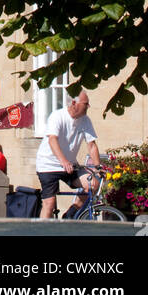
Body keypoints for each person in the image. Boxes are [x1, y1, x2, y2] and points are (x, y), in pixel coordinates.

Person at [35, 89, 100, 219]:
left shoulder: (85, 120)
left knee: (93, 184)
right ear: (74, 103)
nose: (88, 106)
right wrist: (63, 161)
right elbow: (52, 139)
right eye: (86, 104)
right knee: (49, 203)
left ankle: (69, 216)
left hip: (70, 165)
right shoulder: (57, 116)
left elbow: (91, 145)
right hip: (48, 166)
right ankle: (42, 230)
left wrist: (98, 168)